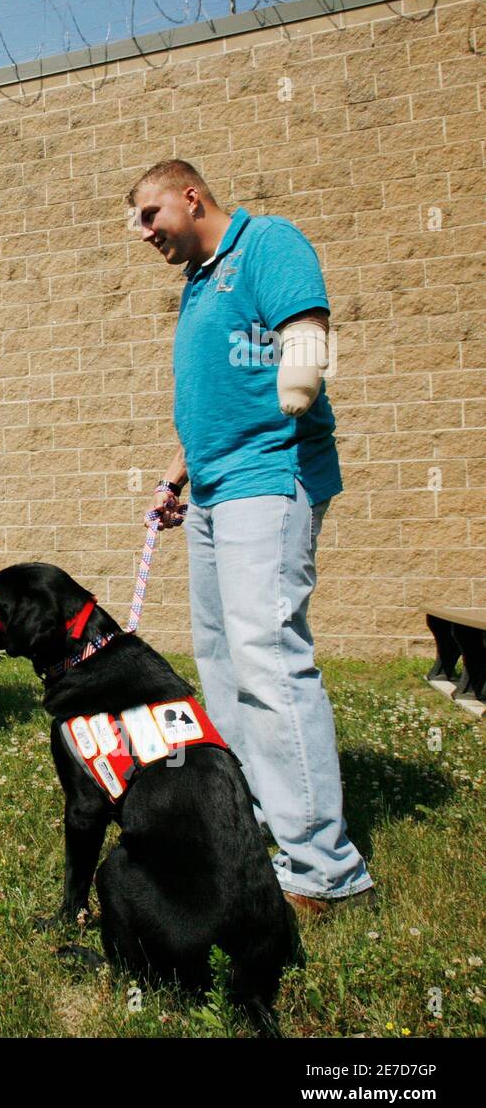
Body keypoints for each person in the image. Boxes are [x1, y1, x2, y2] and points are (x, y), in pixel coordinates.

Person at [129, 158, 374, 914]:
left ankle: (326, 870)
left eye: (148, 215)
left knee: (267, 654)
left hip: (270, 476)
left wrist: (299, 376)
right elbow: (211, 400)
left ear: (190, 196)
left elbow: (306, 326)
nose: (143, 235)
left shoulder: (264, 242)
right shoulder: (198, 286)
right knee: (224, 659)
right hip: (212, 490)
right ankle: (264, 819)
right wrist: (177, 478)